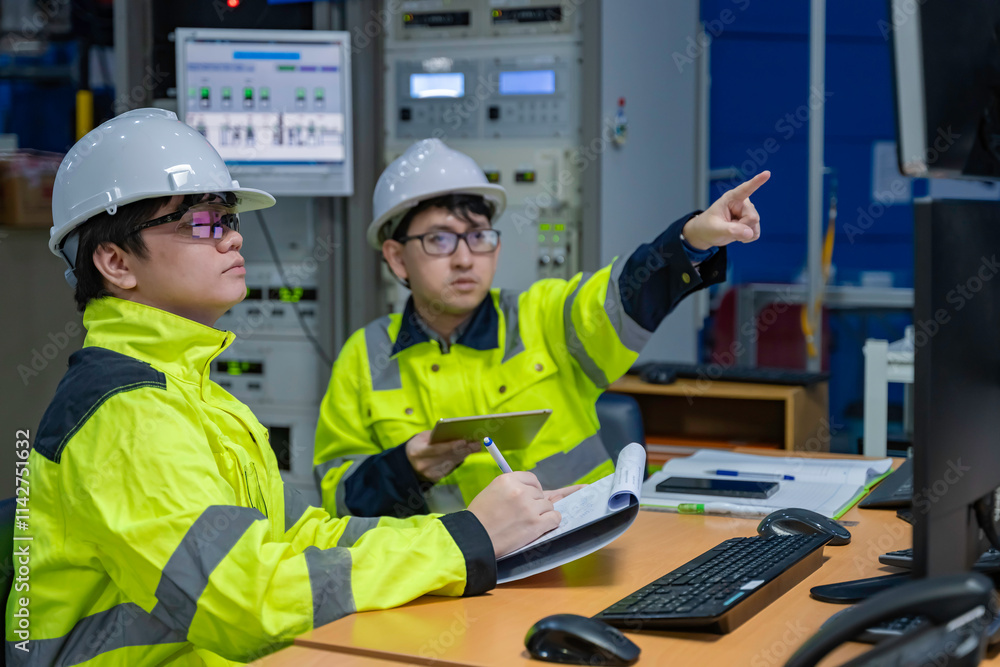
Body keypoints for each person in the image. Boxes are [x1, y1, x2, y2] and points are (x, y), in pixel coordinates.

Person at [7, 110, 564, 666]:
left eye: (228, 219)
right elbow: (247, 604)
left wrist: (485, 532)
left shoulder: (195, 396)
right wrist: (465, 541)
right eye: (202, 224)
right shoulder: (123, 417)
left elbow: (310, 536)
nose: (232, 238)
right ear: (115, 262)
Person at [314, 138, 769, 518]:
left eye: (479, 236)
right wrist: (406, 467)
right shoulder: (365, 356)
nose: (465, 257)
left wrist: (691, 240)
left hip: (586, 552)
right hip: (452, 578)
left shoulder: (543, 317)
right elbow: (338, 499)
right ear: (396, 257)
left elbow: (622, 296)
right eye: (439, 239)